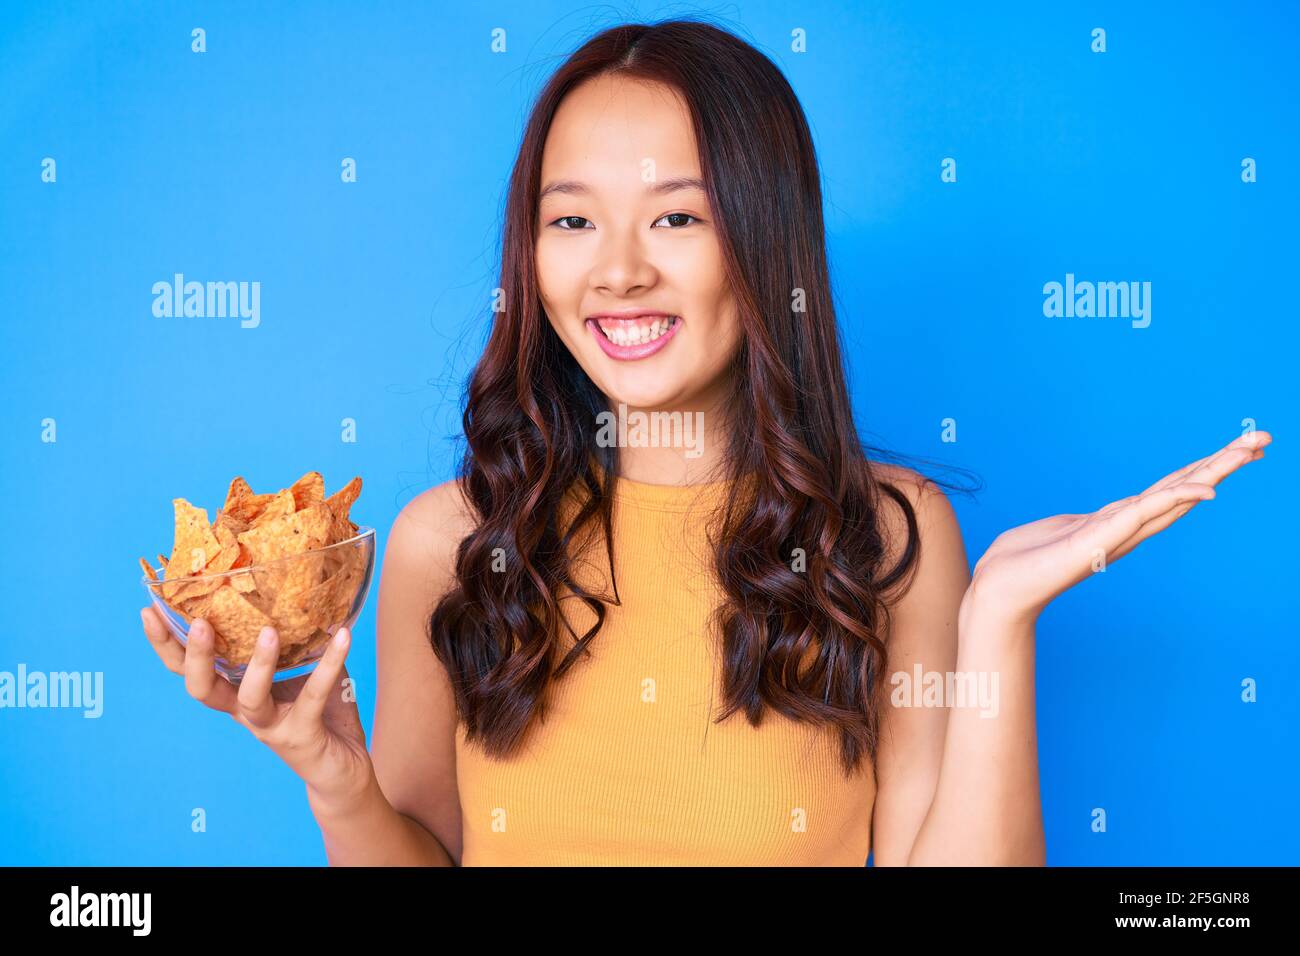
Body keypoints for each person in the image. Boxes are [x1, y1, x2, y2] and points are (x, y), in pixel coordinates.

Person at [138, 19, 1271, 866]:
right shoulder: (454, 539)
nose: (618, 268)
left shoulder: (887, 534)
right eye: (570, 218)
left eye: (676, 216)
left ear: (765, 241)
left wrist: (996, 622)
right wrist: (336, 781)